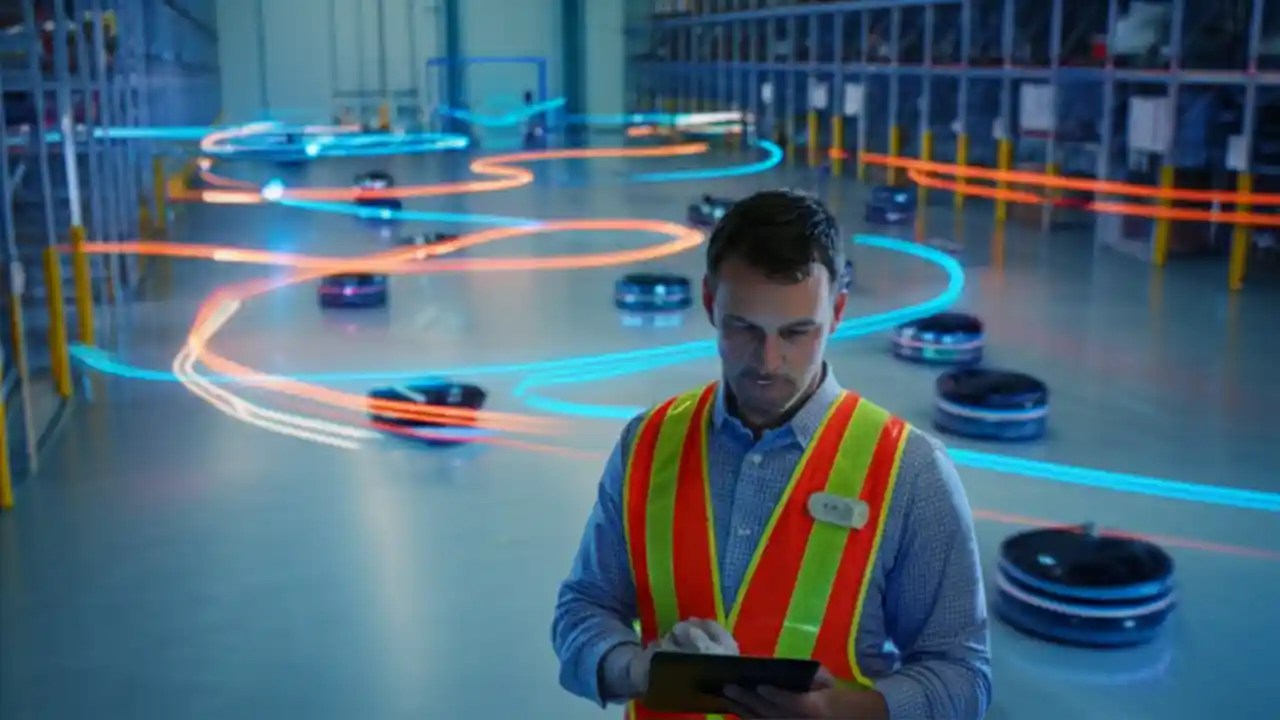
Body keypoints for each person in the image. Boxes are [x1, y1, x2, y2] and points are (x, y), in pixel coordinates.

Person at [552, 189, 991, 719]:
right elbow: (583, 609)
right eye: (744, 328)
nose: (768, 359)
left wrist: (845, 713)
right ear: (712, 303)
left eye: (796, 332)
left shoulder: (909, 473)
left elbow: (962, 678)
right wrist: (642, 670)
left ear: (838, 313)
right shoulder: (647, 444)